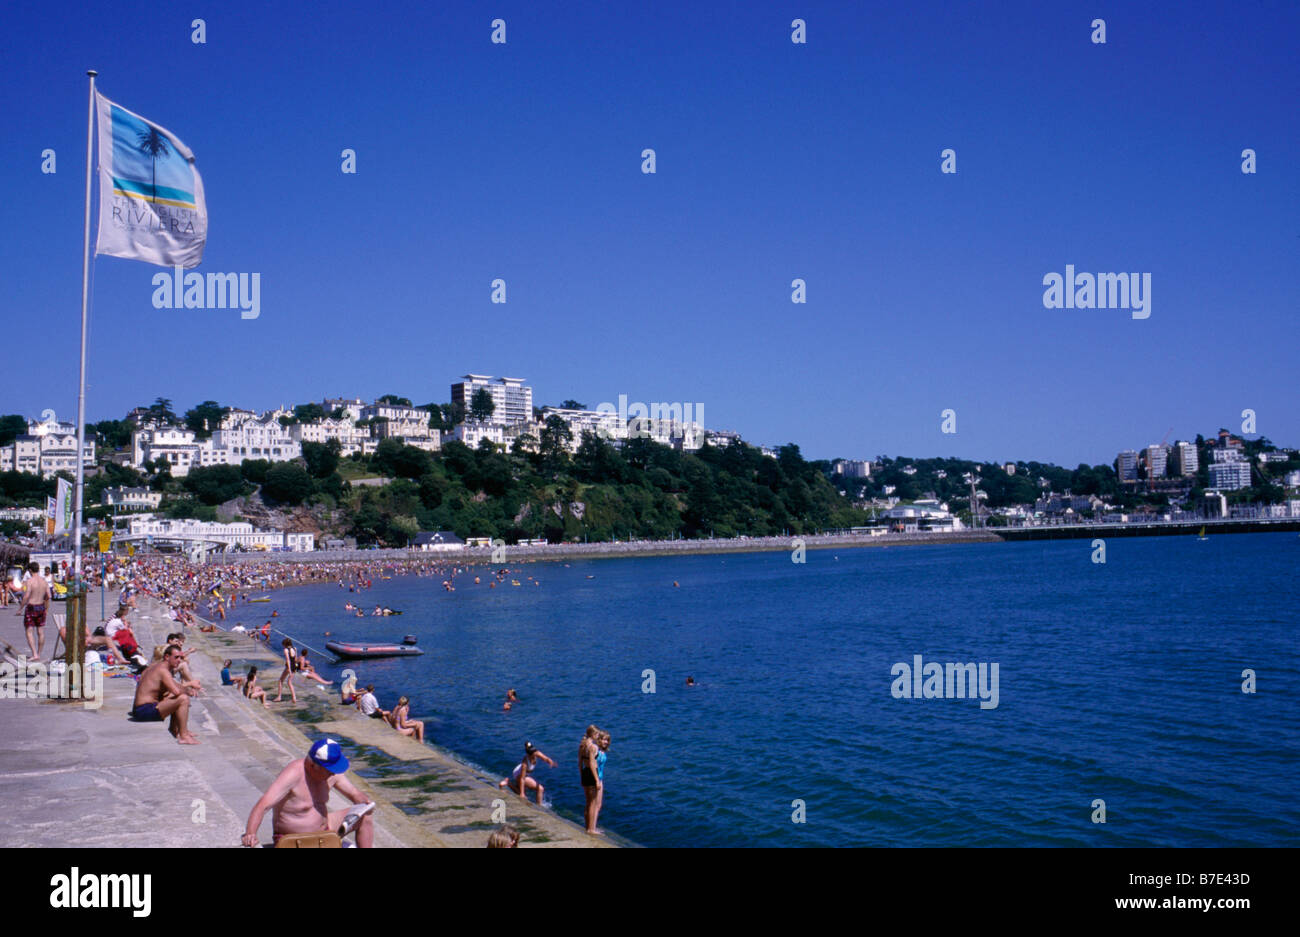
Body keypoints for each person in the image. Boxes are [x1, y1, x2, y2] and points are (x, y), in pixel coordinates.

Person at [241, 738, 374, 848]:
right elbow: (262, 805)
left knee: (365, 816)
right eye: (329, 770)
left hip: (325, 831)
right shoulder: (293, 774)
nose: (333, 773)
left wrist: (363, 801)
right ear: (312, 765)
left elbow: (354, 793)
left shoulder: (330, 774)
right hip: (295, 840)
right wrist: (250, 833)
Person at [130, 646, 199, 744]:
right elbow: (177, 691)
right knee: (183, 699)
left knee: (174, 697)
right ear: (167, 657)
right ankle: (184, 736)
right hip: (143, 711)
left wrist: (188, 689)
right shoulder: (163, 671)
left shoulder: (154, 666)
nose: (179, 660)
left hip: (140, 709)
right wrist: (189, 691)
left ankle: (175, 730)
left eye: (180, 658)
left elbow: (174, 687)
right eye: (176, 657)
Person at [16, 562, 49, 662]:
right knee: (40, 632)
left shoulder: (30, 581)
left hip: (31, 607)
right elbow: (49, 596)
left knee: (29, 632)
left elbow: (26, 596)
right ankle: (38, 653)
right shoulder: (44, 581)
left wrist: (20, 608)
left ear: (30, 570)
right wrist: (46, 609)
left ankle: (34, 654)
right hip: (41, 607)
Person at [579, 725, 602, 834]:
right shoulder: (593, 747)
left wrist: (581, 775)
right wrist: (597, 779)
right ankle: (591, 829)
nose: (598, 737)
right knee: (593, 802)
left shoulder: (582, 746)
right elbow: (593, 764)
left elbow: (579, 763)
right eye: (597, 734)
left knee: (588, 802)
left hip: (584, 773)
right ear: (593, 734)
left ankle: (587, 826)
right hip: (592, 773)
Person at [591, 731, 612, 833]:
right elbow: (592, 764)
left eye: (607, 740)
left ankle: (592, 826)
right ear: (599, 740)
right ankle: (592, 828)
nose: (606, 742)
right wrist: (596, 781)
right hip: (596, 779)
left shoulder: (602, 751)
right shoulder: (597, 751)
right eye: (604, 739)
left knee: (597, 805)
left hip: (600, 778)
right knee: (595, 805)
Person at [274, 637, 298, 703]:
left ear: (285, 644)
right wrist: (296, 668)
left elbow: (288, 660)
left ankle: (279, 697)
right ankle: (294, 698)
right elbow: (295, 659)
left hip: (289, 667)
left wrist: (289, 670)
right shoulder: (295, 649)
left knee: (280, 680)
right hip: (294, 667)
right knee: (289, 682)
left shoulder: (286, 650)